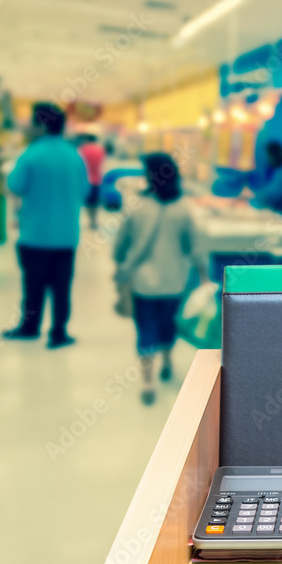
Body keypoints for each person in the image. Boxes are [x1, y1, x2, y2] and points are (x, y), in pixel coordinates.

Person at [3, 103, 89, 349]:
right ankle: (59, 332)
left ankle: (29, 327)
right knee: (62, 287)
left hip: (35, 233)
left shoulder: (31, 154)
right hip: (66, 235)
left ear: (41, 125)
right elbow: (84, 190)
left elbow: (15, 185)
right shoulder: (74, 156)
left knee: (33, 285)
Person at [113, 153, 194, 405]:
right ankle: (168, 361)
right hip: (174, 280)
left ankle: (148, 381)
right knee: (169, 323)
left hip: (143, 282)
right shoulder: (183, 209)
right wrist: (201, 274)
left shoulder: (137, 206)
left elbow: (121, 243)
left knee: (145, 326)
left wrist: (119, 262)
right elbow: (192, 246)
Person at [77, 133, 107, 230]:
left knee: (87, 202)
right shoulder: (100, 150)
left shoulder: (82, 149)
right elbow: (103, 164)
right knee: (95, 202)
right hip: (97, 179)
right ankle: (94, 221)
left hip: (85, 180)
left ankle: (89, 220)